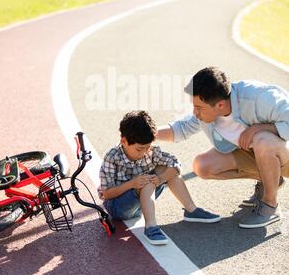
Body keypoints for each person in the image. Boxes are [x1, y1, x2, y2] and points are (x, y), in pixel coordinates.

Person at [156, 66, 289, 229]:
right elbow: (182, 128)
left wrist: (259, 128)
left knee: (262, 139)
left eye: (199, 108)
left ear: (220, 105)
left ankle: (270, 205)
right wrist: (148, 134)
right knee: (202, 165)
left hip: (283, 153)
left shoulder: (260, 98)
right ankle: (269, 181)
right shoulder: (208, 109)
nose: (195, 113)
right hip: (259, 154)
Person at [98, 110, 221, 246]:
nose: (144, 152)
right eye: (139, 149)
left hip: (141, 202)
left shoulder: (151, 151)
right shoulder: (112, 157)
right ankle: (151, 227)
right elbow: (107, 193)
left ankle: (191, 210)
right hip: (118, 207)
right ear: (124, 141)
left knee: (167, 170)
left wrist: (161, 178)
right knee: (147, 181)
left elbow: (175, 164)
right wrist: (132, 184)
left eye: (147, 147)